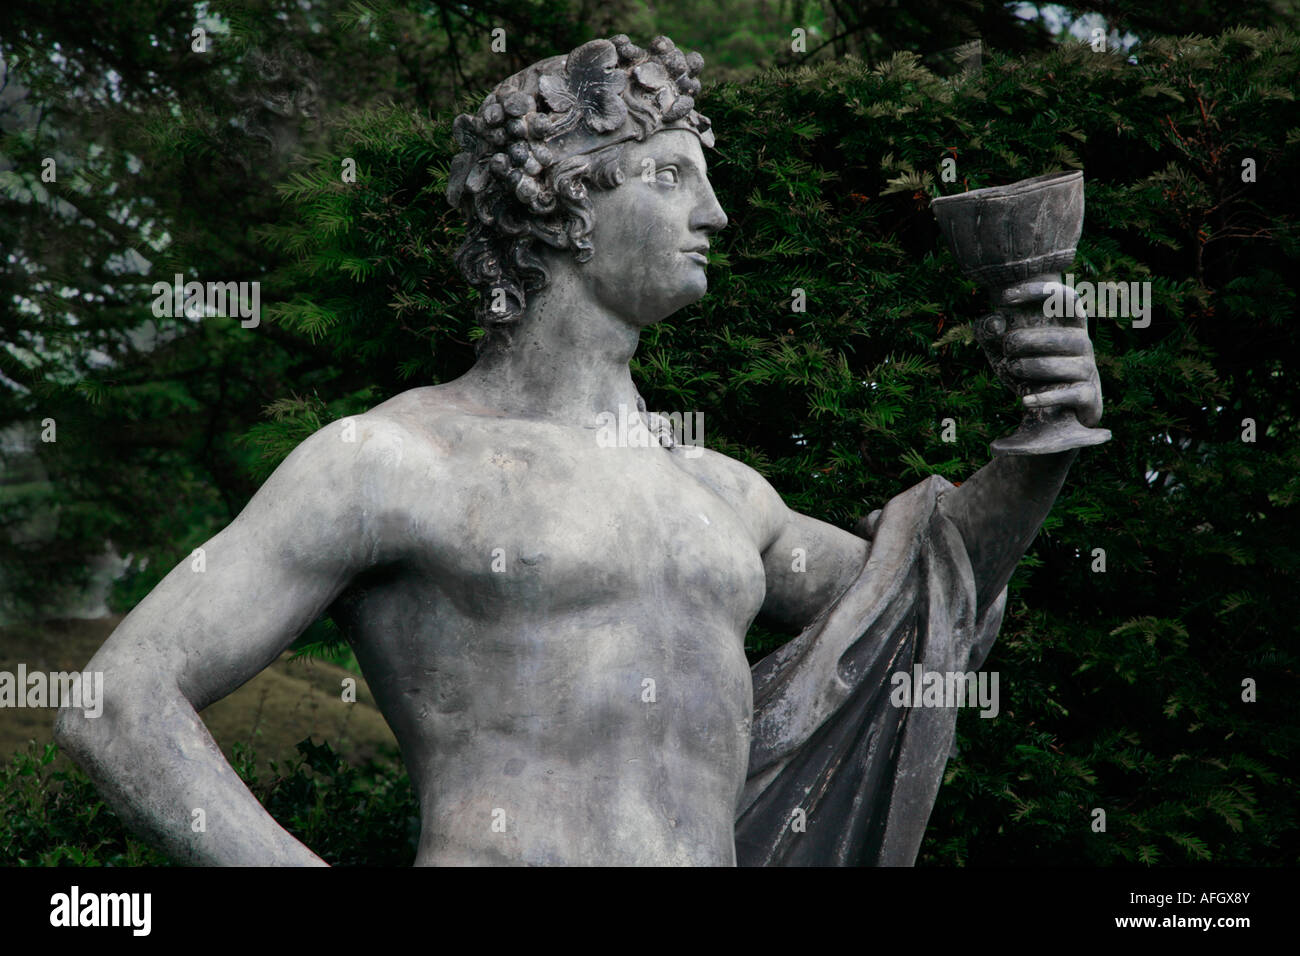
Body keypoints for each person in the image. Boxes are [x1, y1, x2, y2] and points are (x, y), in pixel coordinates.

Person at [56, 34, 1104, 866]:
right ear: (565, 201)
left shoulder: (723, 493)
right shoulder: (385, 462)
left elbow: (931, 598)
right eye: (673, 178)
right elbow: (119, 702)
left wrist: (1042, 437)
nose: (717, 213)